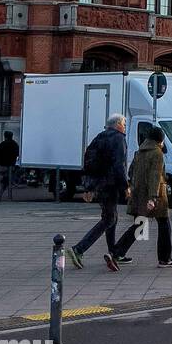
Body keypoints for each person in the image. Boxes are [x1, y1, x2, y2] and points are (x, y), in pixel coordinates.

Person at [107, 126, 172, 270]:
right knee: (164, 225)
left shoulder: (139, 152)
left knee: (139, 225)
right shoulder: (157, 153)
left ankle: (117, 252)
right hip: (155, 195)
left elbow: (131, 171)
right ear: (159, 140)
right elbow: (155, 176)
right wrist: (153, 198)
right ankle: (165, 259)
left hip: (139, 194)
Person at [67, 115, 129, 270]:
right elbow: (119, 165)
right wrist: (125, 186)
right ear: (118, 125)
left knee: (111, 217)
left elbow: (88, 163)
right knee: (109, 219)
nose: (125, 127)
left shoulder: (98, 138)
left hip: (99, 184)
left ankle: (113, 252)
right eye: (124, 124)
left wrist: (88, 187)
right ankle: (79, 249)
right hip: (110, 184)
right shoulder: (118, 139)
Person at [0, 130, 20, 202]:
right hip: (12, 165)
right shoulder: (15, 144)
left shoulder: (4, 144)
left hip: (4, 165)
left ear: (5, 136)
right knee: (3, 184)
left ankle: (3, 178)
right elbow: (17, 154)